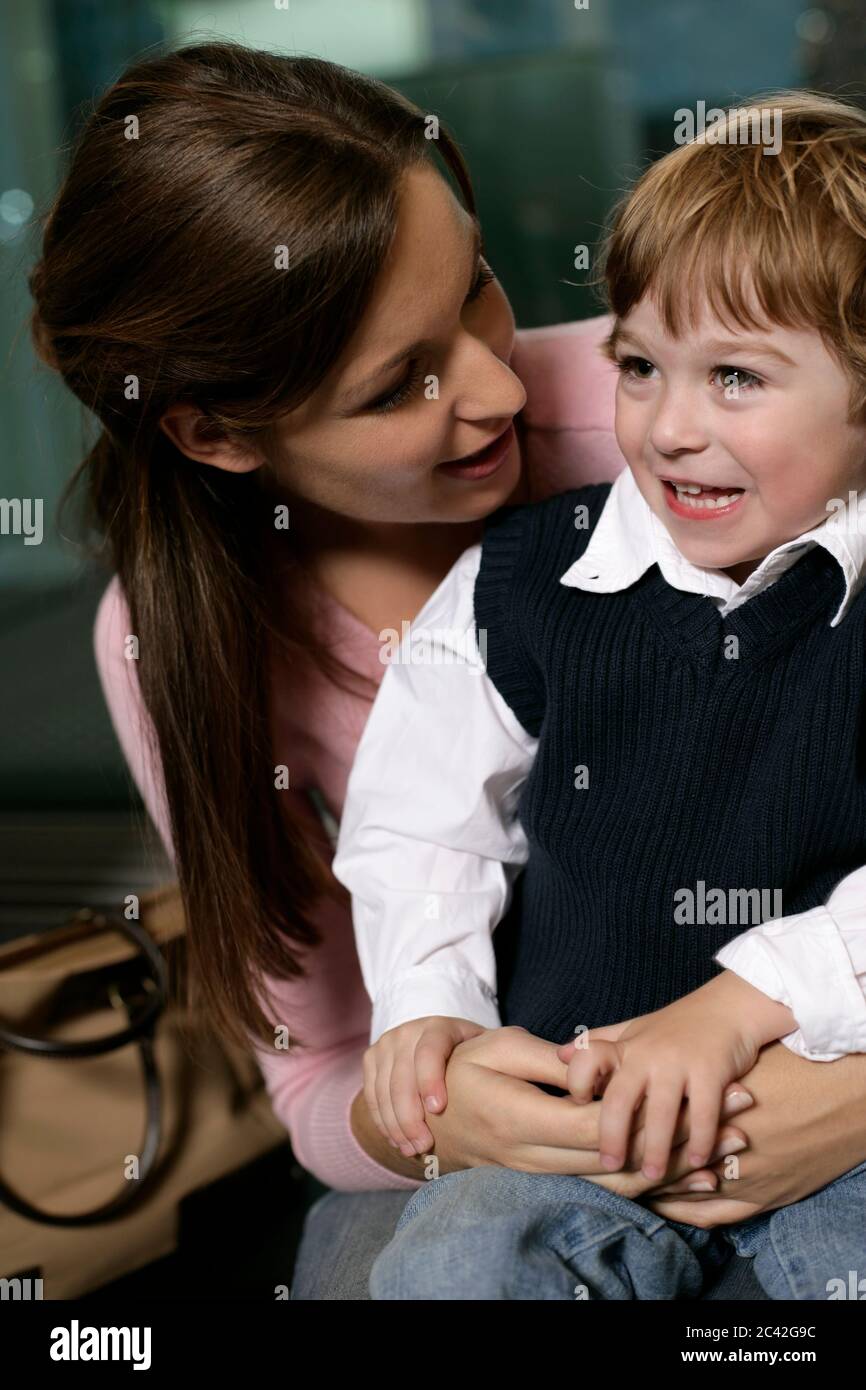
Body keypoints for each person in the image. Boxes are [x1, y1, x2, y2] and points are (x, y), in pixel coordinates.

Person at [28, 40, 866, 1299]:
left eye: (476, 288)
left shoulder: (714, 378)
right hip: (539, 1129)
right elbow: (322, 1066)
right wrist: (435, 1100)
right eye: (396, 384)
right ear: (214, 431)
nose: (495, 385)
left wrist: (833, 1091)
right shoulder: (178, 639)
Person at [332, 91, 866, 1299]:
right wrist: (427, 1013)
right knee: (451, 1271)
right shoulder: (516, 579)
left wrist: (739, 1007)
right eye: (636, 363)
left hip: (827, 1107)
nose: (668, 426)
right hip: (573, 1118)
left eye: (735, 377)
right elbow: (420, 822)